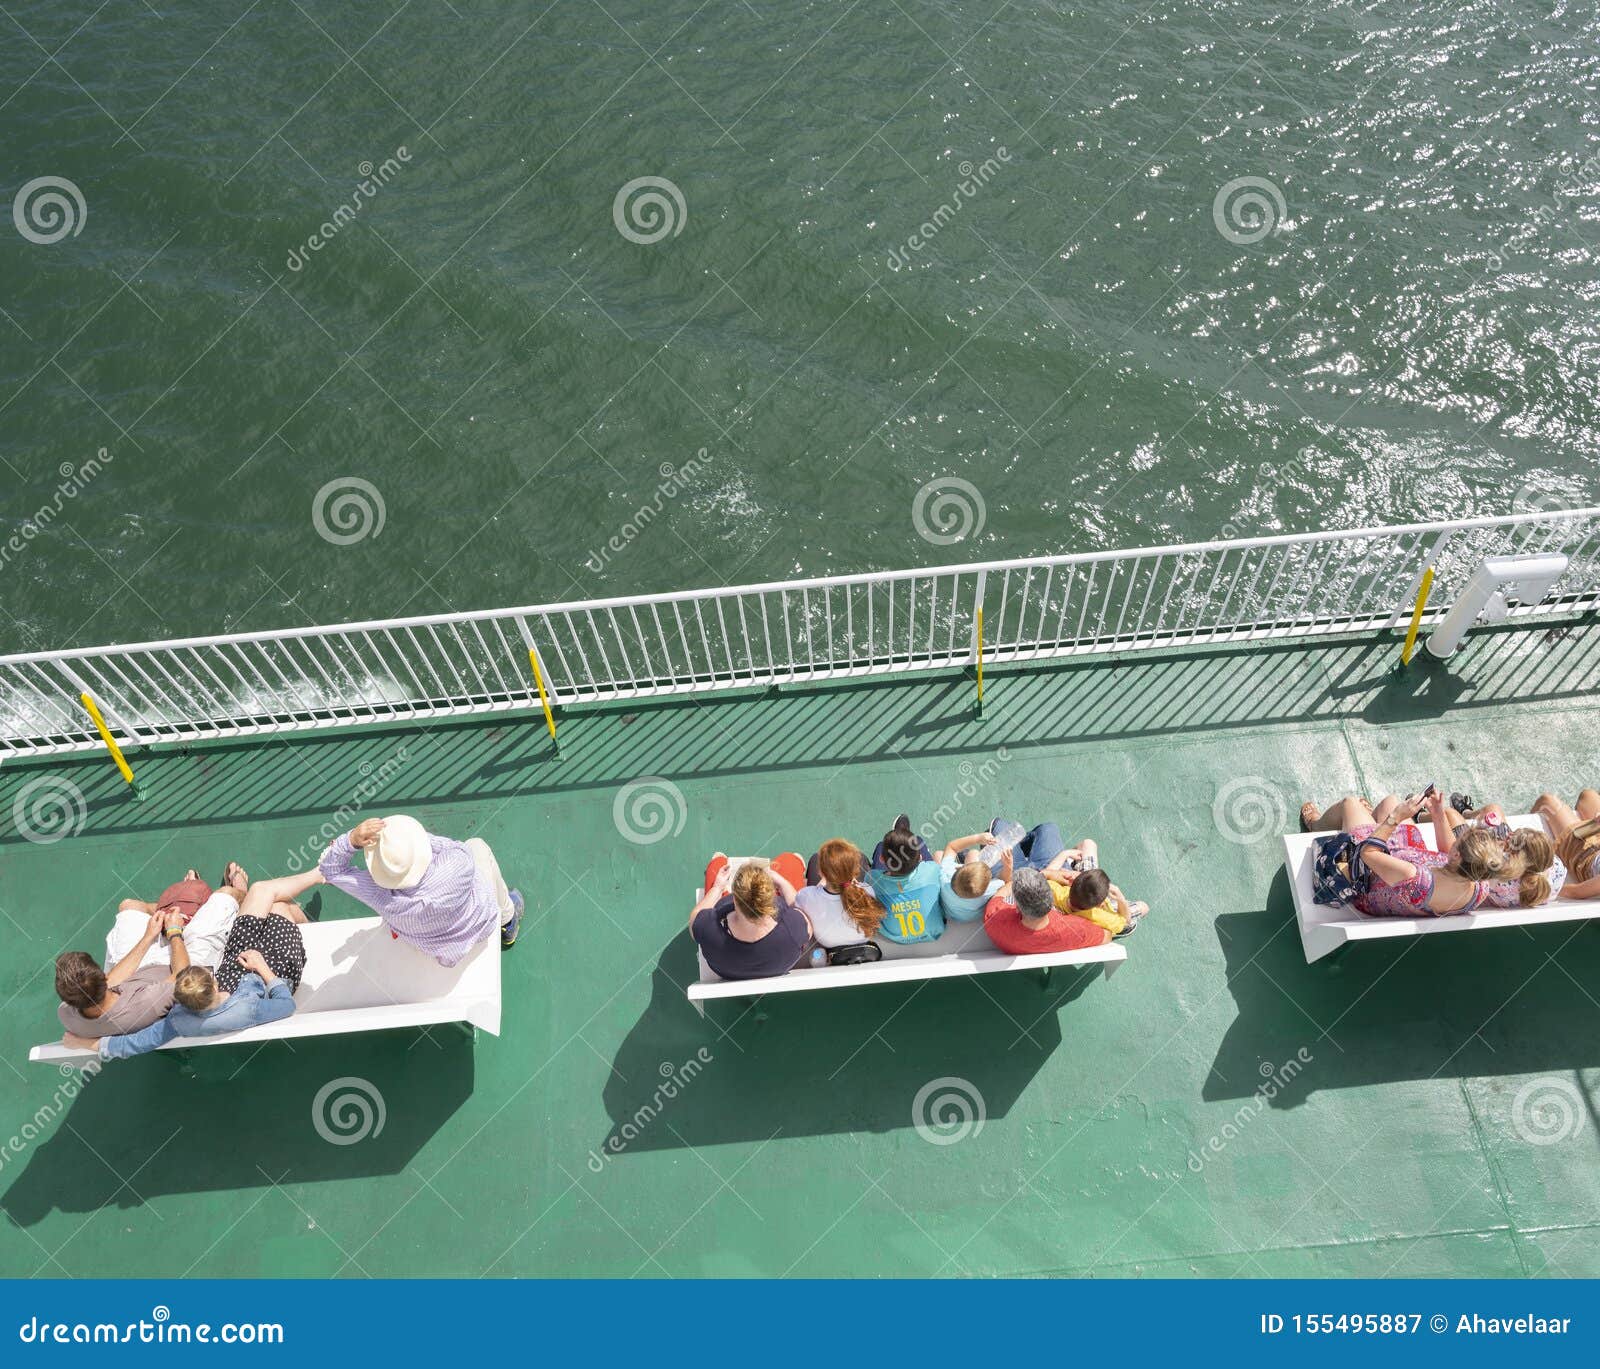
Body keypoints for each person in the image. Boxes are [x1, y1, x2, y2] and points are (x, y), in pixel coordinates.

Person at [319, 815, 524, 961]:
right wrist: (408, 839)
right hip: (481, 924)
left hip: (442, 952)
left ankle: (507, 920)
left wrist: (350, 841)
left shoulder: (380, 896)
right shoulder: (458, 863)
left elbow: (331, 870)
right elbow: (444, 845)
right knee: (477, 845)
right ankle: (507, 922)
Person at [1338, 791, 1552, 916]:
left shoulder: (1417, 879)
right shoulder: (1480, 884)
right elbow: (1445, 853)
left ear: (1457, 855)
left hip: (1370, 879)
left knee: (1351, 803)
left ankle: (1317, 822)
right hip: (1411, 858)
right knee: (1389, 801)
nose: (1455, 839)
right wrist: (1439, 814)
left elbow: (1368, 853)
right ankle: (1371, 814)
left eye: (1459, 840)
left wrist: (1396, 817)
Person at [67, 950, 297, 1061]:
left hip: (247, 974)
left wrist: (84, 1043)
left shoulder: (177, 1022)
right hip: (268, 975)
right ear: (215, 985)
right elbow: (287, 1005)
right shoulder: (247, 1009)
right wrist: (262, 967)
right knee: (278, 911)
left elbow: (134, 1044)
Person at [55, 908, 191, 1041]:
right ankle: (174, 910)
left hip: (139, 971)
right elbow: (183, 976)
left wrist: (148, 936)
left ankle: (166, 909)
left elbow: (106, 984)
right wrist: (174, 931)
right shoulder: (146, 1003)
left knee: (128, 906)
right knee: (211, 898)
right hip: (174, 964)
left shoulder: (67, 1015)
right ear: (103, 974)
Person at [690, 854, 813, 979]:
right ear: (770, 897)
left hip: (727, 971)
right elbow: (801, 910)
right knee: (790, 860)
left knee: (717, 863)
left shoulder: (709, 930)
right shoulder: (793, 927)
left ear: (735, 898)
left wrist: (718, 887)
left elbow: (695, 917)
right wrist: (781, 881)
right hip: (780, 965)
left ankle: (719, 863)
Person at [983, 867, 1111, 955]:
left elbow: (1001, 894)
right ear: (1052, 902)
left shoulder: (993, 919)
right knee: (1049, 829)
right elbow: (1107, 935)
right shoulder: (1075, 931)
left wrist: (1042, 875)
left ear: (1017, 906)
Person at [1040, 844, 1149, 937]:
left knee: (1088, 844)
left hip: (1085, 892)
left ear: (1071, 883)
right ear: (1100, 905)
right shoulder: (1101, 917)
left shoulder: (1055, 891)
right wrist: (1121, 898)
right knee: (1143, 907)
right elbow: (1126, 921)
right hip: (1111, 912)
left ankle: (1074, 863)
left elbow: (1044, 875)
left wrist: (1065, 855)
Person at [867, 817, 945, 944]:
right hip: (932, 934)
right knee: (918, 841)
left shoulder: (872, 878)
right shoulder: (931, 870)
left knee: (881, 845)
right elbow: (936, 867)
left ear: (882, 858)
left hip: (893, 937)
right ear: (920, 858)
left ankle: (899, 837)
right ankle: (903, 837)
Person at [796, 839, 886, 947]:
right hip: (862, 941)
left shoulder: (806, 896)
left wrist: (821, 885)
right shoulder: (867, 891)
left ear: (820, 872)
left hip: (827, 944)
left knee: (815, 858)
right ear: (854, 872)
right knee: (862, 856)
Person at [1534, 788, 1600, 901]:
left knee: (1547, 802)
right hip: (1594, 841)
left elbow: (1576, 892)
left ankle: (1528, 832)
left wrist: (1541, 887)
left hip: (1583, 854)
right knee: (1588, 795)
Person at [938, 832, 1012, 922]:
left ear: (958, 869)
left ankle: (962, 857)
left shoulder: (945, 877)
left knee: (938, 854)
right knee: (973, 853)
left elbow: (952, 847)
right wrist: (1008, 866)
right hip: (970, 917)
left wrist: (977, 838)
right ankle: (965, 856)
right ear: (987, 885)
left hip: (949, 912)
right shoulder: (990, 889)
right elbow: (1005, 882)